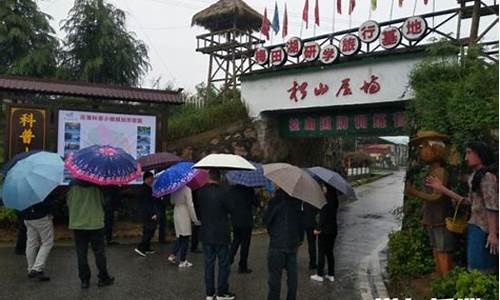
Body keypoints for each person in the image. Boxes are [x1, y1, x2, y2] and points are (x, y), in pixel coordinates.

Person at [426, 141, 498, 273]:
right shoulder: (475, 177)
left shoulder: (488, 177)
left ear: (480, 154)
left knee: (482, 269)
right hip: (474, 226)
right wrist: (441, 188)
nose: (466, 158)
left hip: (484, 230)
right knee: (474, 267)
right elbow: (466, 202)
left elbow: (492, 207)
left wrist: (493, 234)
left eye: (469, 153)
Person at [405, 131, 455, 276]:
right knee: (435, 247)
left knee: (443, 249)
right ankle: (439, 274)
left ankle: (446, 279)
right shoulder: (430, 170)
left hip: (441, 217)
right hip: (431, 217)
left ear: (435, 149)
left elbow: (437, 196)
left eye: (424, 146)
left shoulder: (440, 171)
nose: (421, 150)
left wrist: (415, 193)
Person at [67, 179, 114, 289]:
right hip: (95, 223)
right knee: (99, 252)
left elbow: (68, 203)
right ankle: (103, 278)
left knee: (81, 253)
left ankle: (84, 280)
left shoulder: (72, 186)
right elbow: (104, 203)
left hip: (78, 224)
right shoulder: (97, 185)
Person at [198, 169, 235, 300]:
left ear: (209, 177)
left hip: (206, 232)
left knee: (209, 264)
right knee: (223, 264)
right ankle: (222, 292)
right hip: (221, 233)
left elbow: (198, 211)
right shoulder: (225, 191)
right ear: (219, 178)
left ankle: (209, 293)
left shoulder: (201, 191)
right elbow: (232, 209)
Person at [264, 188, 303, 300]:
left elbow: (267, 221)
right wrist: (300, 238)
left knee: (275, 278)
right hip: (292, 243)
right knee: (292, 278)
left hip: (277, 244)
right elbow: (301, 222)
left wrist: (273, 234)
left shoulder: (274, 201)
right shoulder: (297, 201)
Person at [19, 197, 55, 281]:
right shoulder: (39, 187)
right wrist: (51, 212)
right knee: (47, 242)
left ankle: (31, 268)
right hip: (41, 216)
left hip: (27, 217)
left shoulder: (21, 189)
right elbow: (47, 202)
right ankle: (37, 268)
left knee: (31, 243)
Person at [310, 186, 338, 282]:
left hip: (324, 231)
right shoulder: (335, 200)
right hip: (333, 230)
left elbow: (323, 217)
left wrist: (317, 229)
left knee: (321, 252)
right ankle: (331, 274)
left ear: (328, 189)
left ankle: (319, 274)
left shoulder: (325, 202)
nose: (323, 189)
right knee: (330, 252)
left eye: (324, 187)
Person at [167, 185, 200, 267]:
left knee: (180, 236)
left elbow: (171, 201)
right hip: (184, 213)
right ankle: (183, 260)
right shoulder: (187, 189)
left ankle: (173, 255)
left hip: (176, 211)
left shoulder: (174, 188)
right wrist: (194, 219)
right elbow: (190, 205)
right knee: (185, 236)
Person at [228, 184, 258, 274]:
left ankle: (228, 261)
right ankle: (242, 266)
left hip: (236, 219)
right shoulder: (249, 189)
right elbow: (256, 203)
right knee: (245, 244)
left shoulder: (232, 189)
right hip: (246, 220)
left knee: (236, 240)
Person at [135, 171, 159, 257]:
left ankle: (147, 247)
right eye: (151, 178)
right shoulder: (145, 189)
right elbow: (147, 203)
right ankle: (141, 247)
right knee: (149, 230)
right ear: (147, 178)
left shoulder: (146, 188)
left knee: (149, 230)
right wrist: (152, 213)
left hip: (146, 212)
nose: (152, 180)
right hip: (148, 213)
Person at [300, 202, 320, 270]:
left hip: (306, 224)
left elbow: (301, 213)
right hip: (313, 224)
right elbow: (318, 213)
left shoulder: (304, 202)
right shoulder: (315, 201)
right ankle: (313, 263)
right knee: (312, 244)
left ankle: (312, 263)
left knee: (311, 243)